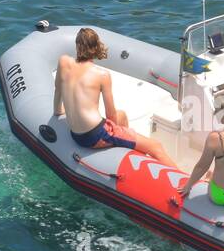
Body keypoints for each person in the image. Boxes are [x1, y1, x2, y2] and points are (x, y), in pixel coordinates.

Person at [54, 27, 177, 167]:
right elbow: (110, 115)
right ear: (96, 47)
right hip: (96, 135)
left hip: (76, 135)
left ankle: (130, 154)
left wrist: (58, 111)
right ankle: (186, 184)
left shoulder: (63, 62)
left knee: (122, 115)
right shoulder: (102, 75)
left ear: (77, 46)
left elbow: (58, 90)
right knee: (156, 147)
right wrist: (117, 134)